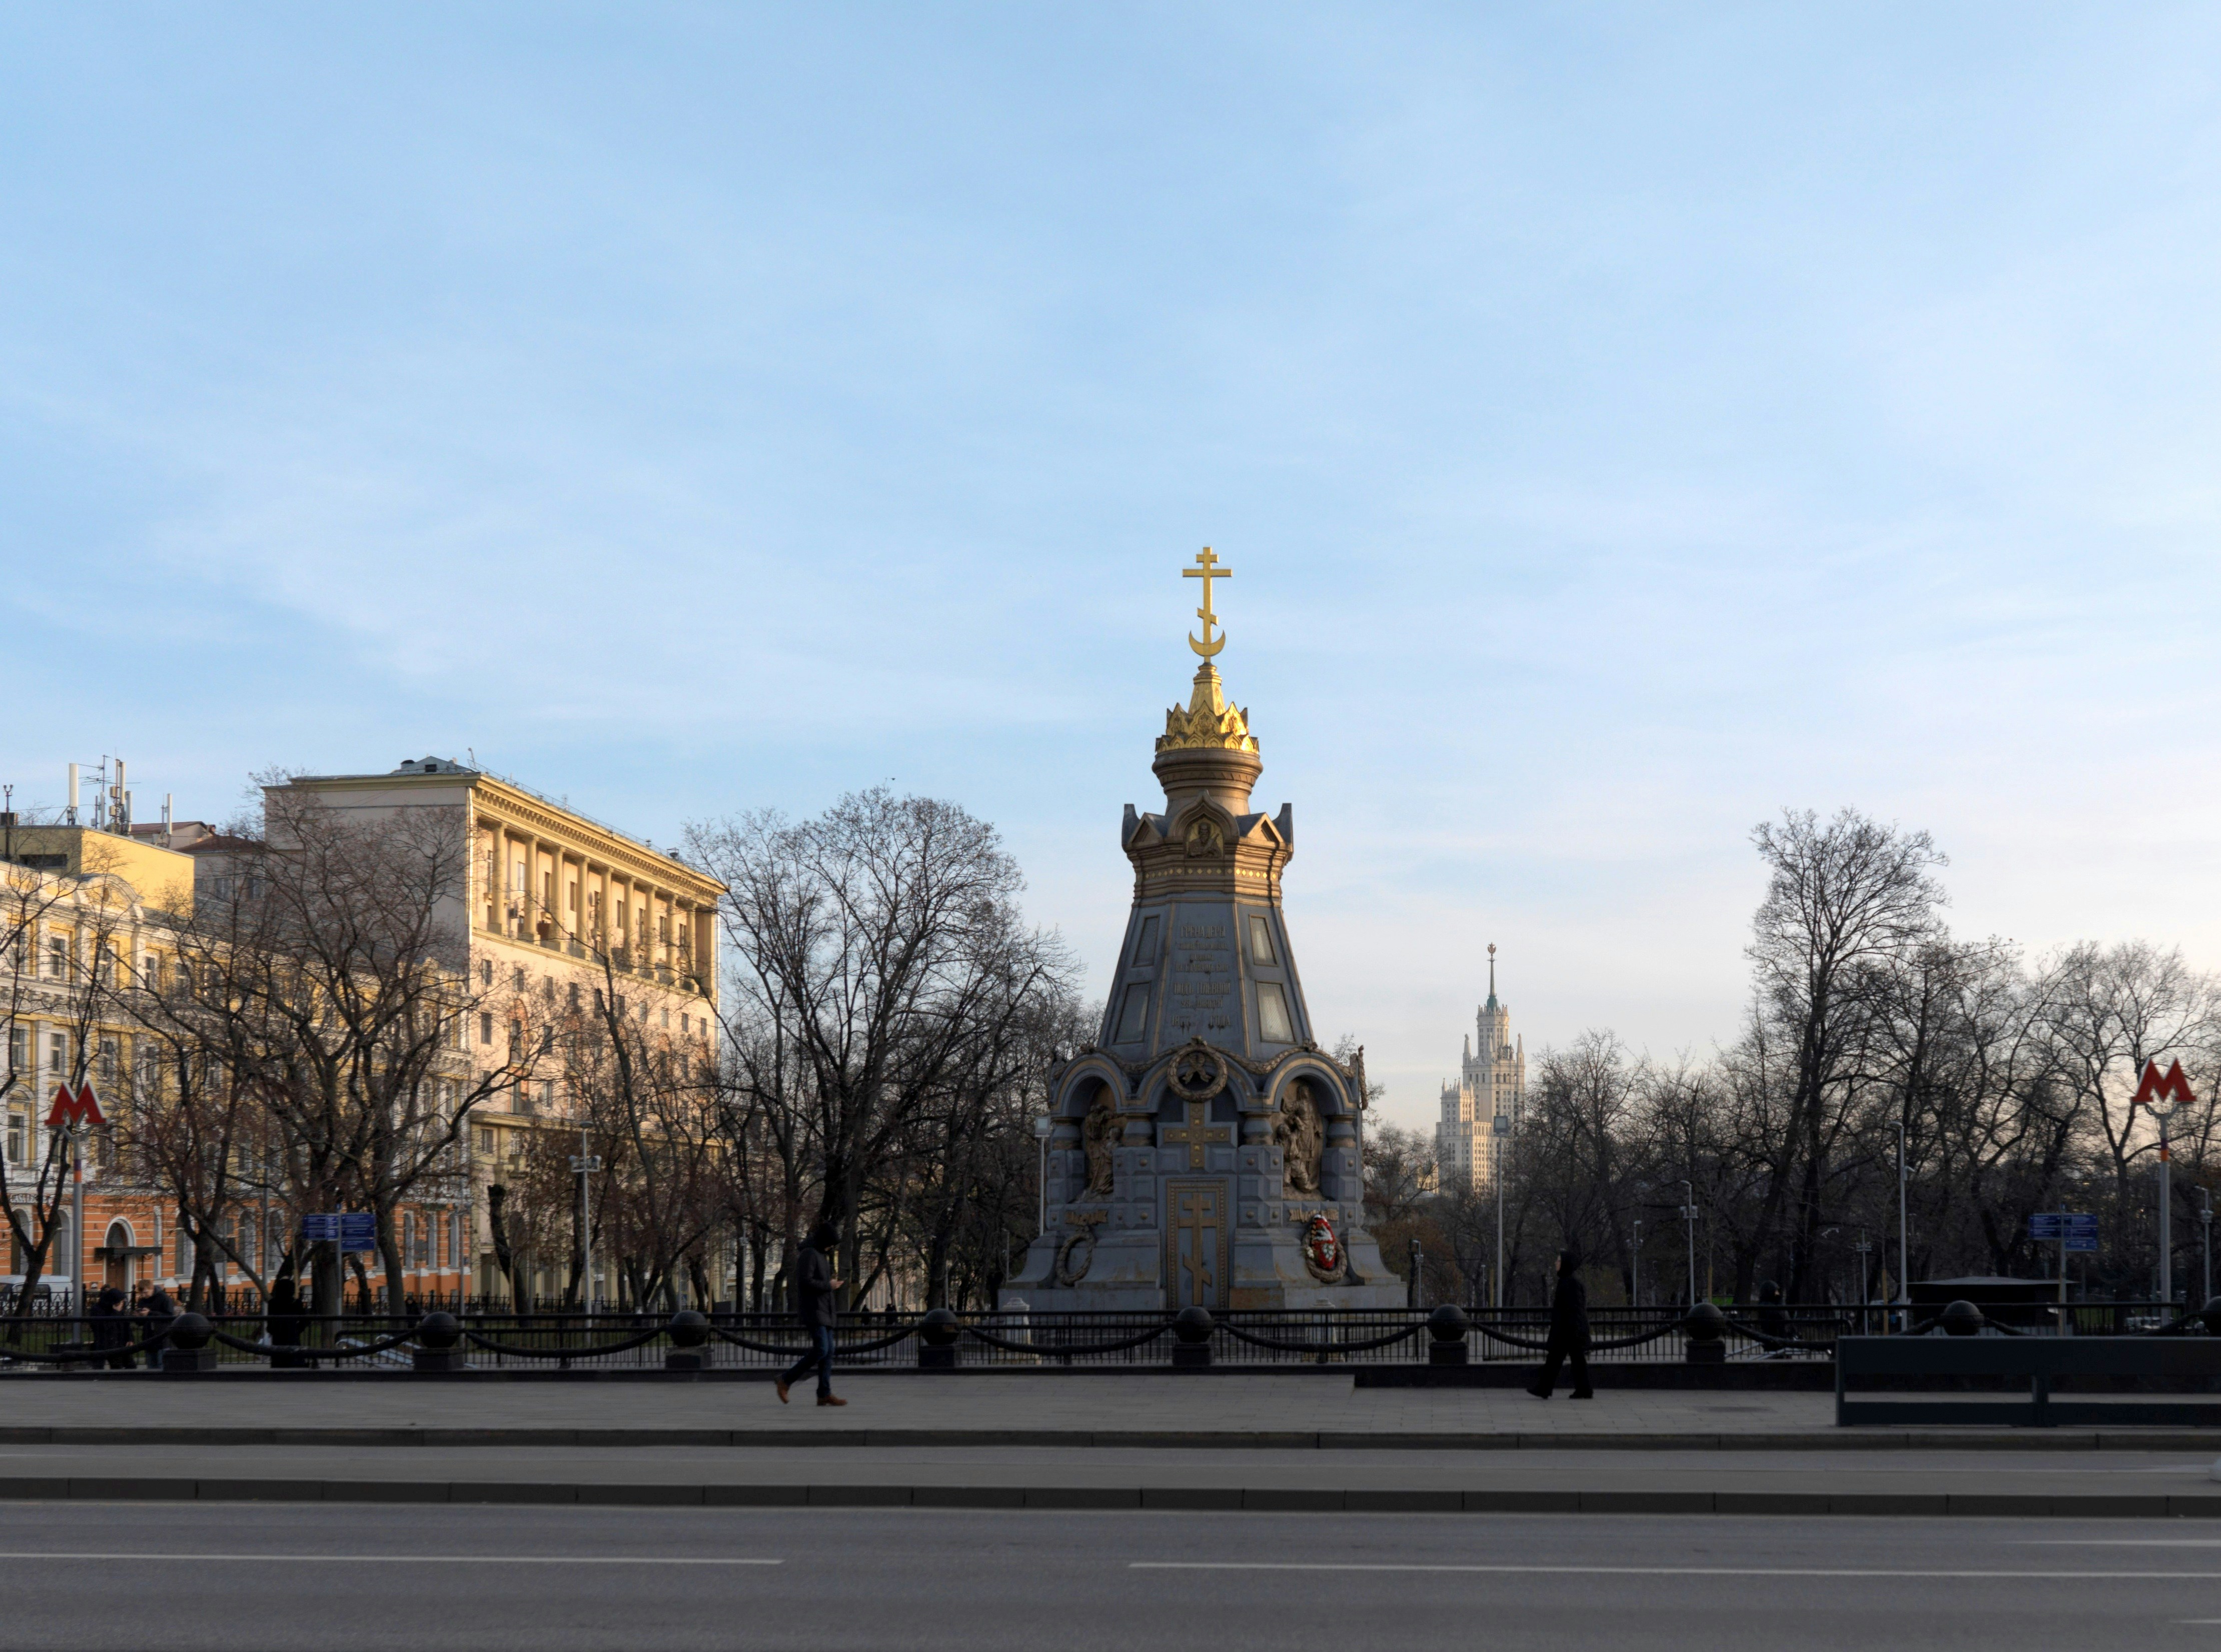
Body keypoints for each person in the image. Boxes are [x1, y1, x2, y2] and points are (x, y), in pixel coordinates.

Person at [775, 1222, 846, 1407]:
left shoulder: (821, 1255)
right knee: (821, 1349)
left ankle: (824, 1393)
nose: (831, 1248)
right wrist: (828, 1285)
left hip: (825, 1310)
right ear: (824, 1240)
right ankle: (786, 1380)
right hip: (814, 1310)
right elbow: (805, 1281)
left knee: (828, 1352)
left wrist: (830, 1285)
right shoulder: (809, 1254)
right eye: (830, 1244)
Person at [1528, 1248, 1594, 1400]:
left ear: (1565, 1264)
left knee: (1557, 1360)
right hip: (1570, 1330)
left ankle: (1545, 1389)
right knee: (1575, 1361)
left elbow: (1573, 1309)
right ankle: (1583, 1389)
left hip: (1568, 1331)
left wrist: (1571, 1328)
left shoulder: (1569, 1283)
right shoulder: (1569, 1281)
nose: (1556, 1263)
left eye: (1559, 1261)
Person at [90, 1285, 135, 1370]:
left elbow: (126, 1325)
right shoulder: (98, 1309)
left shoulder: (119, 1310)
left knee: (130, 1366)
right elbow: (102, 1327)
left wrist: (130, 1338)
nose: (122, 1305)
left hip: (120, 1342)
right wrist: (115, 1312)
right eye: (121, 1302)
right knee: (101, 1367)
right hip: (105, 1343)